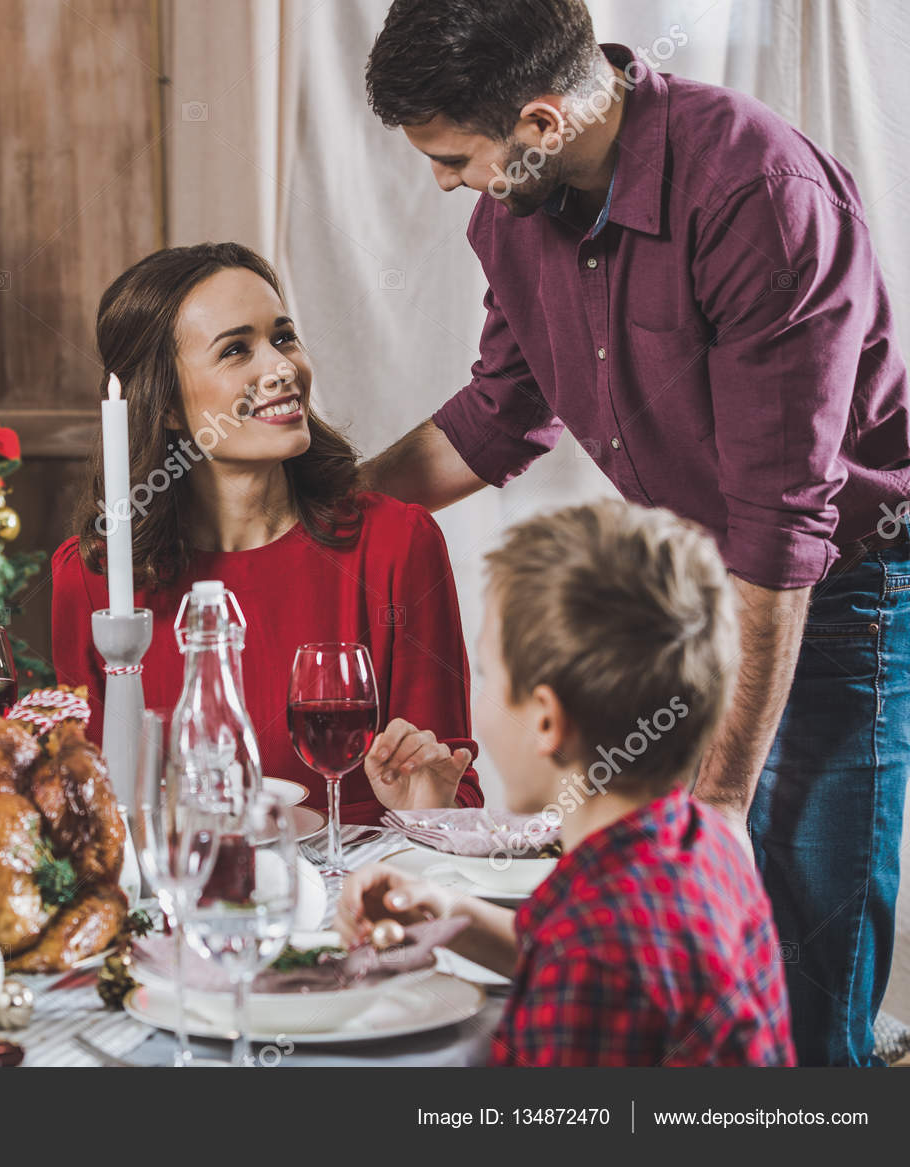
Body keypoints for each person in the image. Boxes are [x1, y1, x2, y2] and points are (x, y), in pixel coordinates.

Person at [361, 0, 909, 1066]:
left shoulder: (754, 191)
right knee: (660, 935)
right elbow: (495, 419)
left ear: (535, 121)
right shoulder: (514, 213)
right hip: (698, 591)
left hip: (842, 587)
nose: (442, 183)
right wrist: (323, 506)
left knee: (799, 929)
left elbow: (781, 519)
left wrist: (715, 806)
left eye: (452, 155)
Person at [339, 500, 795, 1066]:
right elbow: (560, 941)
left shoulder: (592, 968)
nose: (481, 704)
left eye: (489, 677)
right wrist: (447, 911)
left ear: (547, 722)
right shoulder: (697, 841)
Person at [52, 241, 482, 824]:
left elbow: (452, 792)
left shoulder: (397, 545)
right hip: (181, 901)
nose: (281, 368)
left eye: (283, 337)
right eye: (236, 350)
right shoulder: (93, 579)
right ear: (168, 407)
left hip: (355, 901)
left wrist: (429, 806)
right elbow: (94, 813)